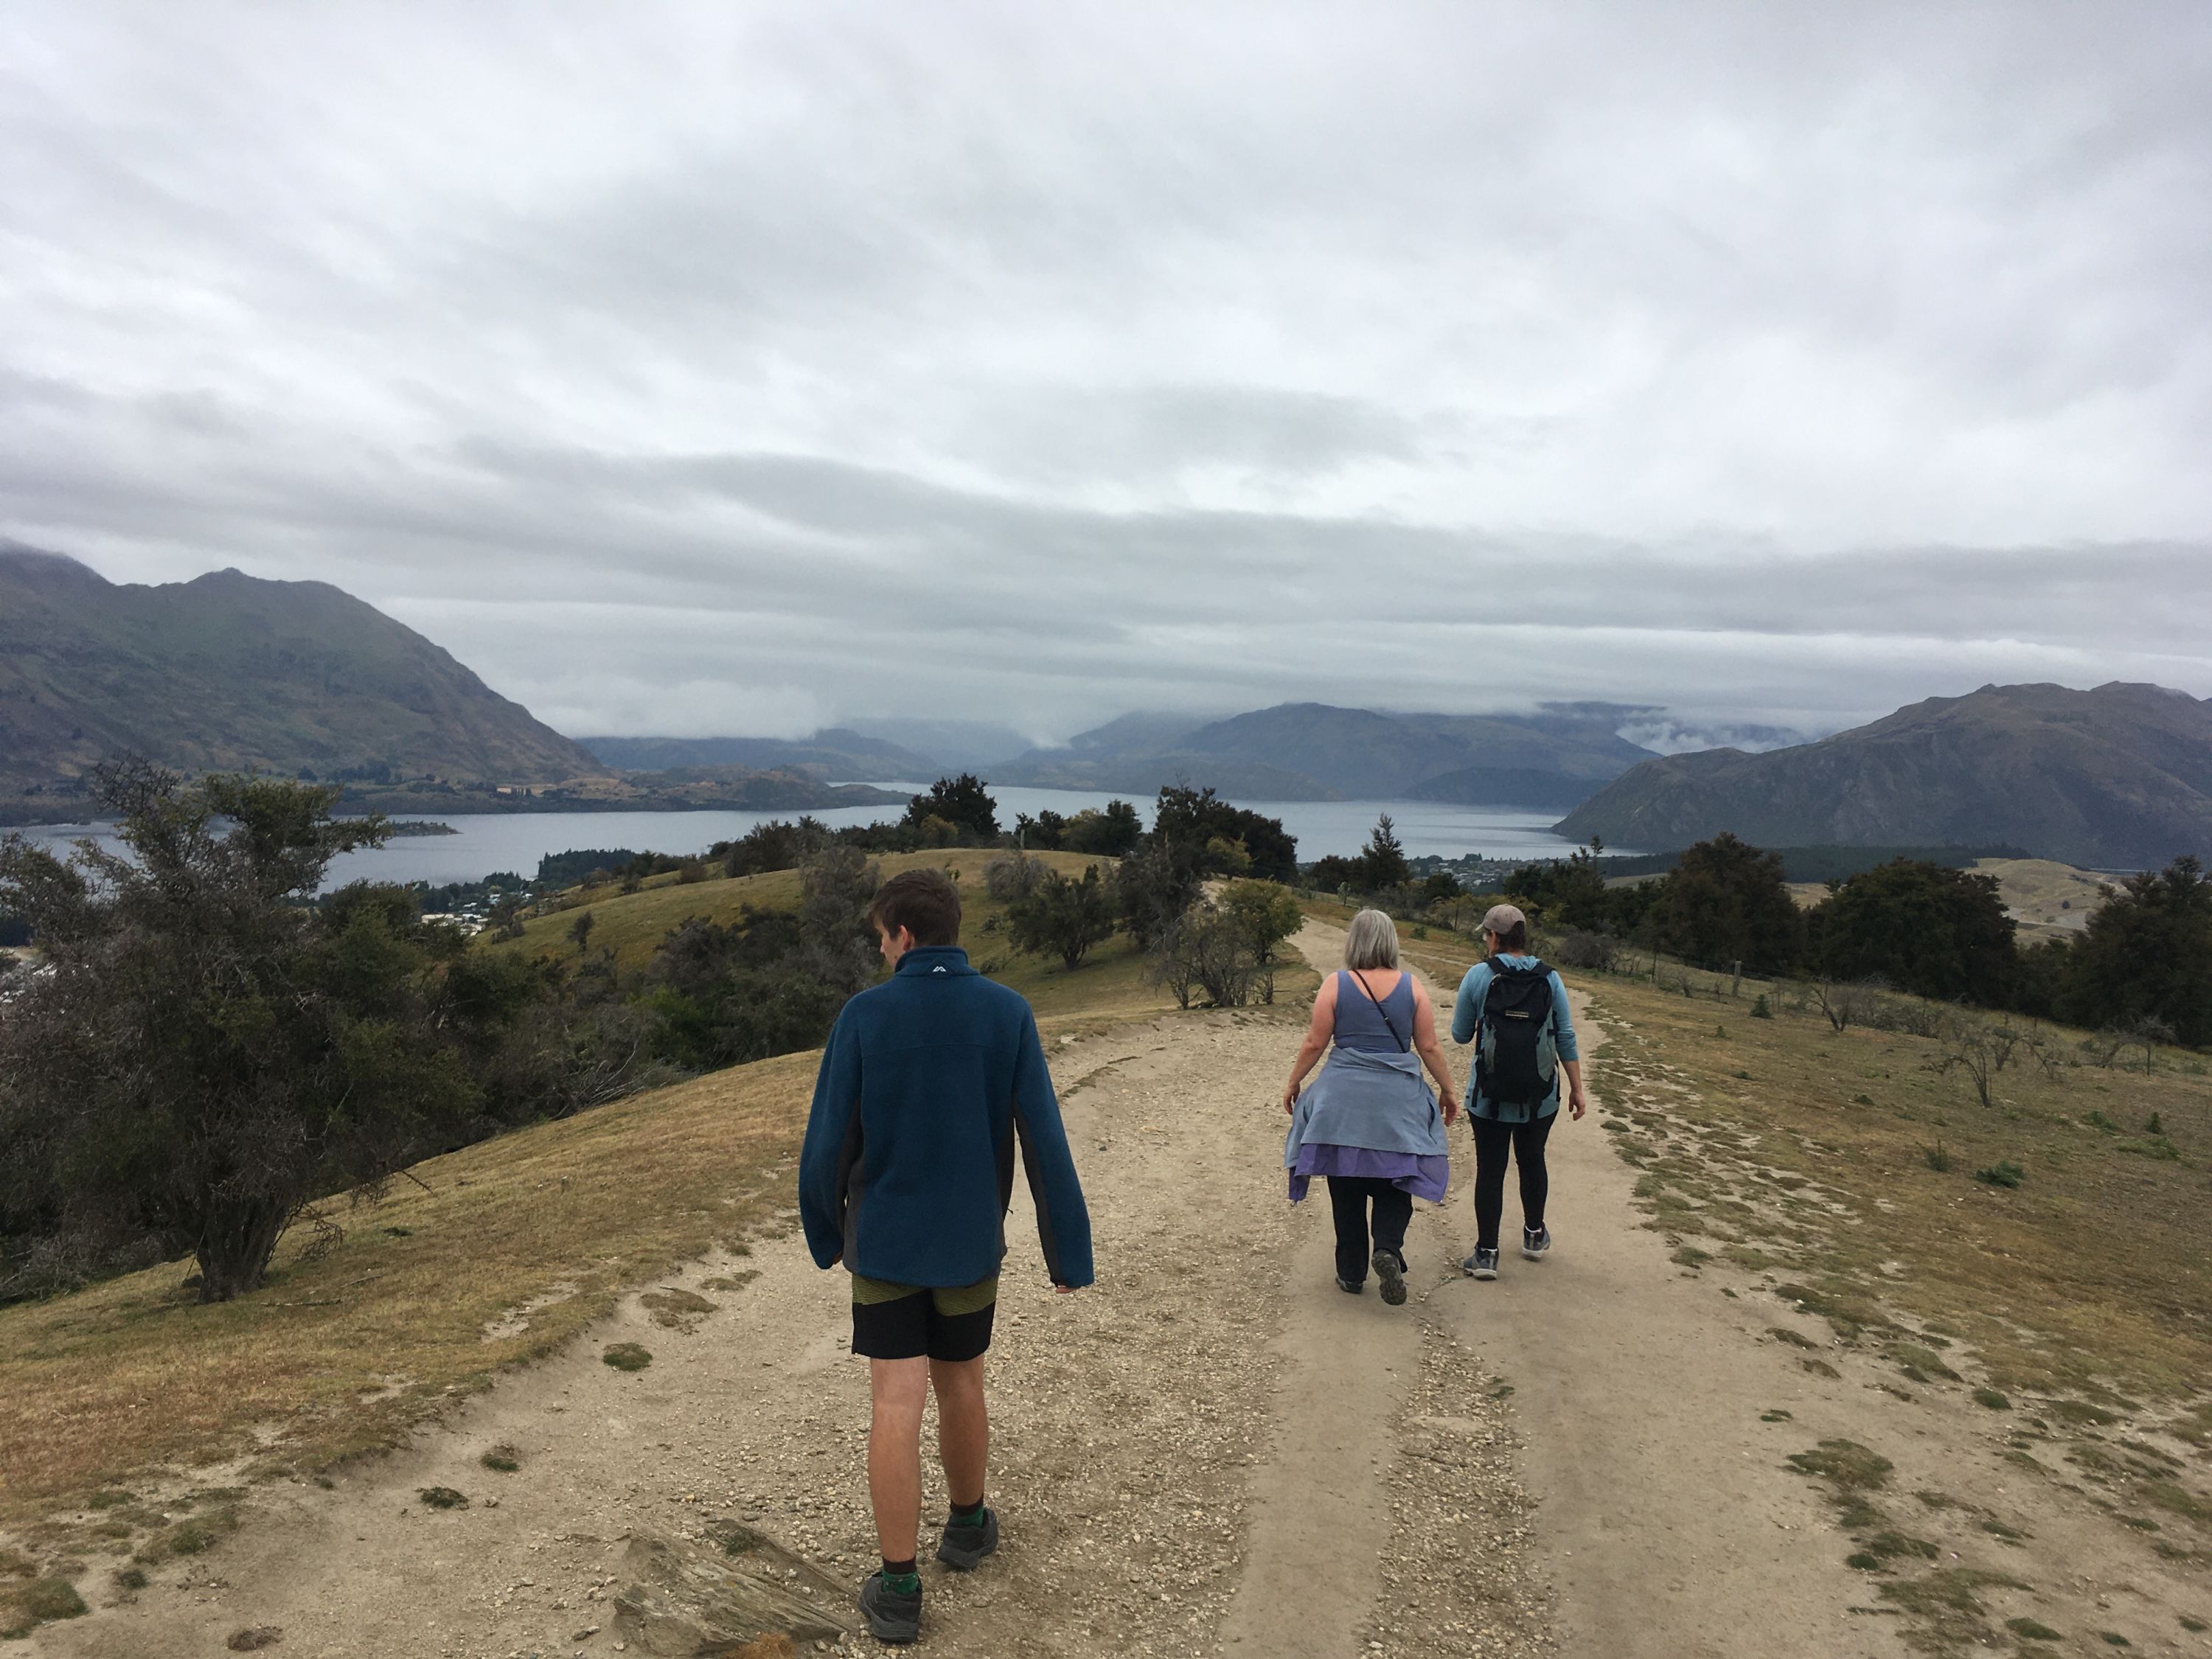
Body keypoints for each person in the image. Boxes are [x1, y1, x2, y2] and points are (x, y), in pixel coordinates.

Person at [798, 866, 1093, 1646]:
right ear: (952, 929)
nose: (881, 950)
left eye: (880, 938)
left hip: (887, 1247)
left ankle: (897, 1591)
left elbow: (827, 1140)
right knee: (963, 1387)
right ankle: (966, 1530)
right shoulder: (1008, 1013)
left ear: (901, 934)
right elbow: (1045, 1140)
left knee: (894, 1405)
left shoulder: (864, 1016)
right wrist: (1069, 1252)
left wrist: (826, 1232)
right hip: (970, 1248)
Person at [1280, 908, 1458, 1304]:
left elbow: (1315, 1041)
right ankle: (1388, 1248)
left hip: (1341, 1103)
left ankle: (1351, 1273)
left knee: (1345, 1186)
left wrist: (1294, 1081)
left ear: (1353, 942)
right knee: (1396, 1180)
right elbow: (1428, 1045)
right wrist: (1447, 1090)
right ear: (1391, 941)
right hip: (1397, 1102)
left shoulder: (1335, 984)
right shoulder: (1412, 987)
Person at [1449, 902, 1585, 1280]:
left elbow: (1460, 1035)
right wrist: (1576, 1088)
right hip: (1540, 1097)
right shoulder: (1550, 978)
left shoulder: (1479, 976)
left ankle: (1486, 1254)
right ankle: (1534, 1235)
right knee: (1532, 1159)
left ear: (1494, 937)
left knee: (1491, 1170)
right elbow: (1566, 1036)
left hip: (1487, 1097)